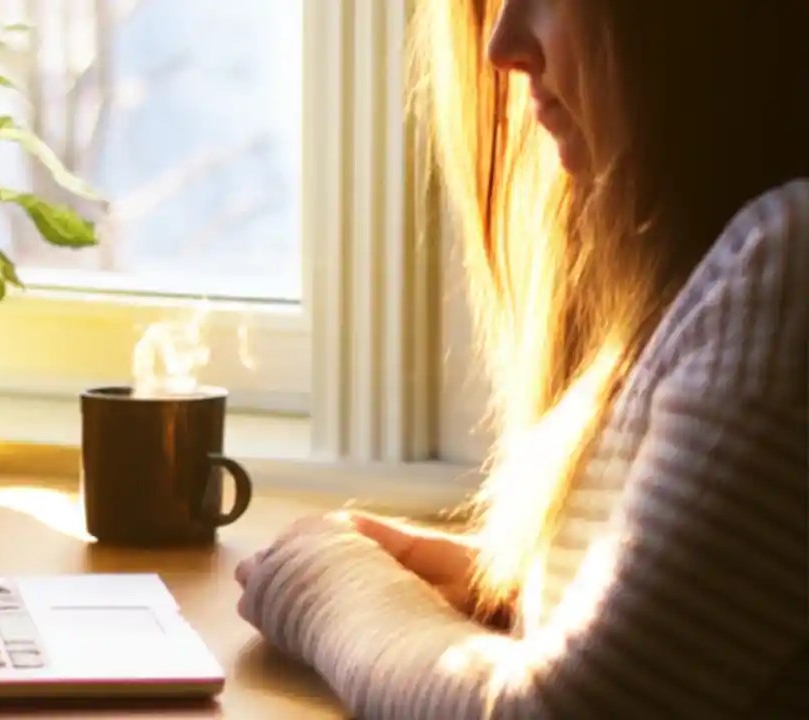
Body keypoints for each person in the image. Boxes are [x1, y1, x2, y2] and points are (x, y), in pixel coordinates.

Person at [235, 1, 808, 717]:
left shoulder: (791, 272)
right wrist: (512, 585)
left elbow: (555, 714)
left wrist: (331, 588)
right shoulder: (737, 275)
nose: (502, 48)